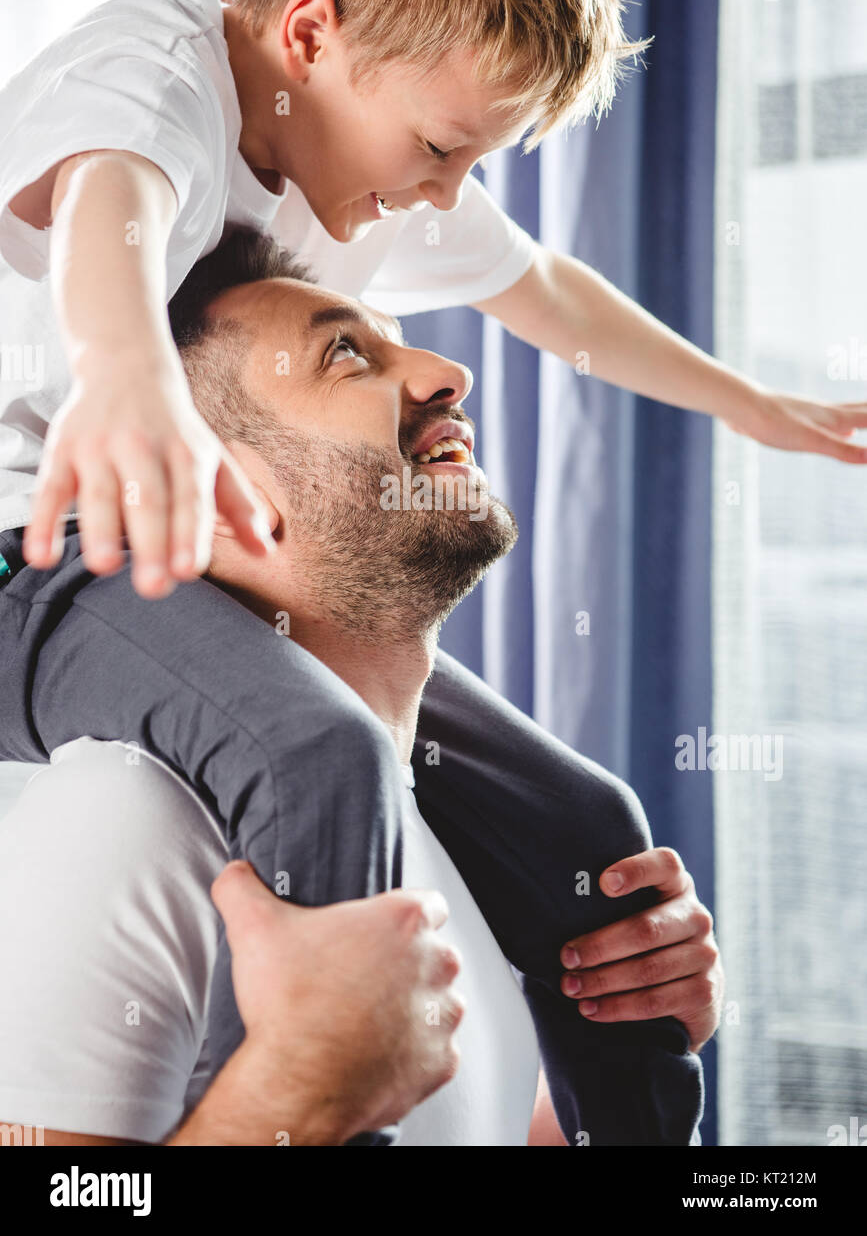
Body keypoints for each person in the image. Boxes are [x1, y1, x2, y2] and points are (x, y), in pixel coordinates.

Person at [0, 233, 722, 1145]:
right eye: (345, 354)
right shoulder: (120, 819)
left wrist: (655, 1017)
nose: (446, 370)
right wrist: (294, 1092)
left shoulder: (455, 838)